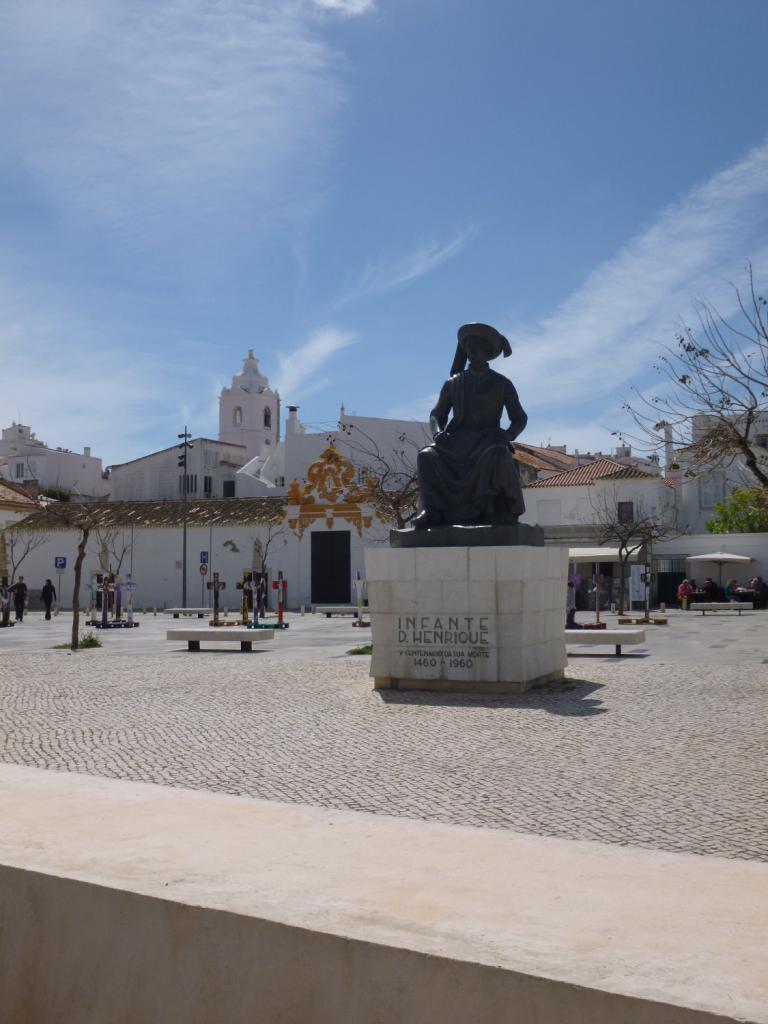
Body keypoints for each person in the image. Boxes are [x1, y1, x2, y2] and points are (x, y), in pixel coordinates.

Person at [414, 323, 527, 528]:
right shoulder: (453, 383)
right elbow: (437, 414)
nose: (474, 352)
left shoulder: (501, 383)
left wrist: (508, 435)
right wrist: (438, 432)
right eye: (470, 348)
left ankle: (492, 509)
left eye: (478, 347)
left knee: (498, 454)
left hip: (488, 440)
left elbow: (519, 417)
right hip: (457, 442)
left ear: (487, 352)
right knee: (425, 456)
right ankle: (430, 510)